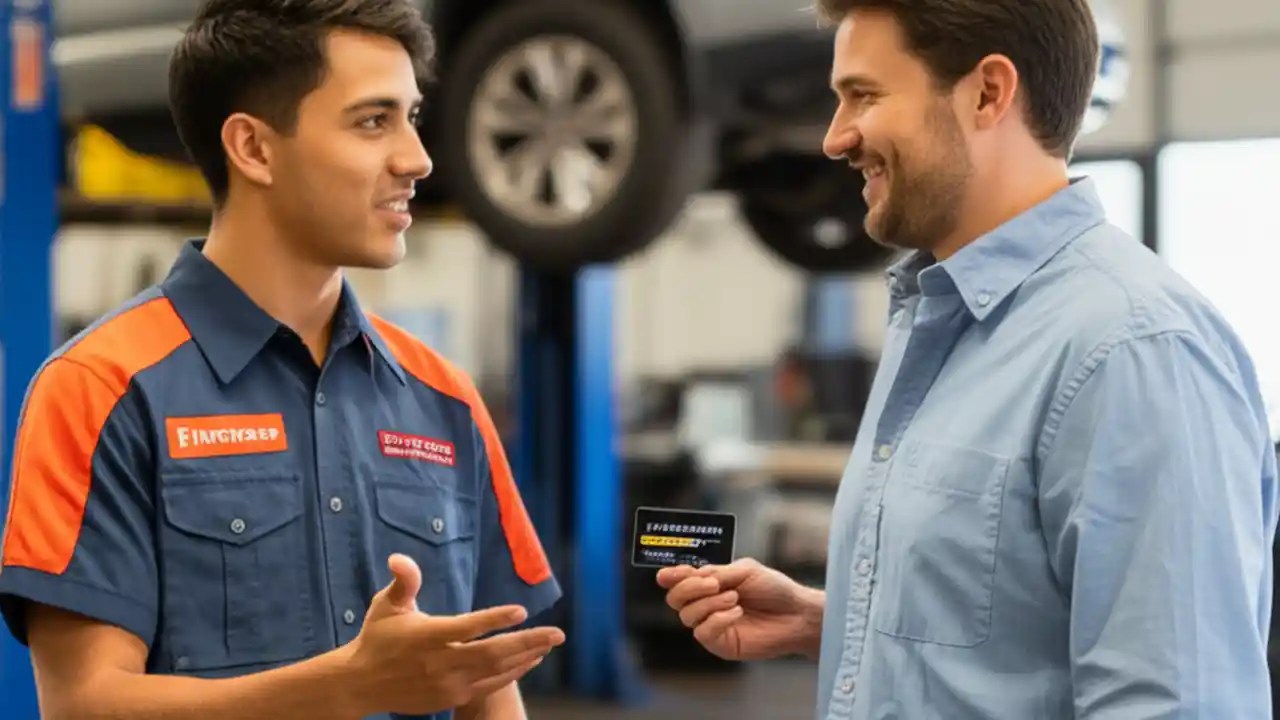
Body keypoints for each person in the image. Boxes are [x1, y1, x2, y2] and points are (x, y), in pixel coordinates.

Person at [659, 0, 1279, 718]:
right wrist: (826, 626)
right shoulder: (940, 319)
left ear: (988, 92)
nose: (834, 139)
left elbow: (1180, 703)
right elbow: (1019, 639)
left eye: (864, 95)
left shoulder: (1134, 352)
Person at [0, 1, 564, 718]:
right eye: (372, 121)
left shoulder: (441, 395)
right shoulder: (101, 388)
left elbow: (490, 689)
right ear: (254, 148)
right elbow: (85, 704)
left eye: (412, 116)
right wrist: (349, 685)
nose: (417, 158)